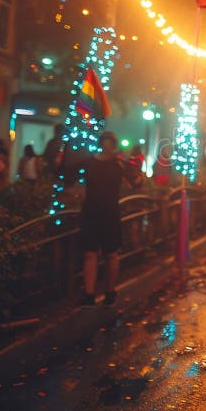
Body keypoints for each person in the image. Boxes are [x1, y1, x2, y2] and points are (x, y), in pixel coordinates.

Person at [79, 131, 126, 307]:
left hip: (109, 213)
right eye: (105, 142)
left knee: (110, 254)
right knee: (90, 253)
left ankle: (110, 291)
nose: (107, 146)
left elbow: (135, 181)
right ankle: (89, 294)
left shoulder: (118, 164)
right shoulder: (90, 163)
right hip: (91, 213)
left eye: (110, 143)